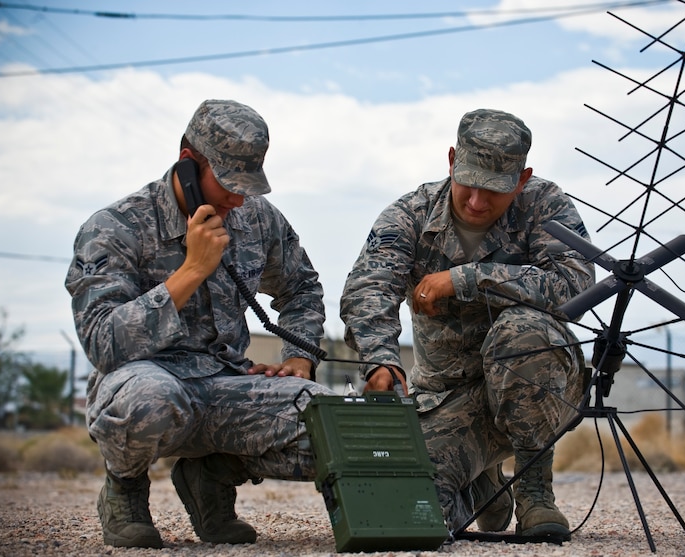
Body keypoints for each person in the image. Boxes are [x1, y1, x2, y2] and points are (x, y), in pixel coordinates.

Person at [65, 99, 335, 549]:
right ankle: (126, 488)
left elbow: (302, 287)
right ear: (189, 163)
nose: (237, 197)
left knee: (330, 423)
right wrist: (191, 270)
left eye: (248, 184)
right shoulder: (115, 227)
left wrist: (299, 356)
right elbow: (102, 342)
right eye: (228, 182)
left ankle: (211, 475)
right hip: (149, 382)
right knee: (149, 400)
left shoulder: (255, 217)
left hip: (227, 384)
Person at [340, 108, 595, 539]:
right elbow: (369, 290)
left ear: (522, 177)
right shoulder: (410, 214)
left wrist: (467, 279)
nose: (477, 203)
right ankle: (484, 484)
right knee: (412, 508)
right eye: (469, 184)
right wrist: (381, 362)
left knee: (522, 331)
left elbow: (575, 285)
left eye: (495, 191)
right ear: (452, 160)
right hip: (449, 399)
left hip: (538, 383)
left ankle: (534, 490)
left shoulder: (544, 205)